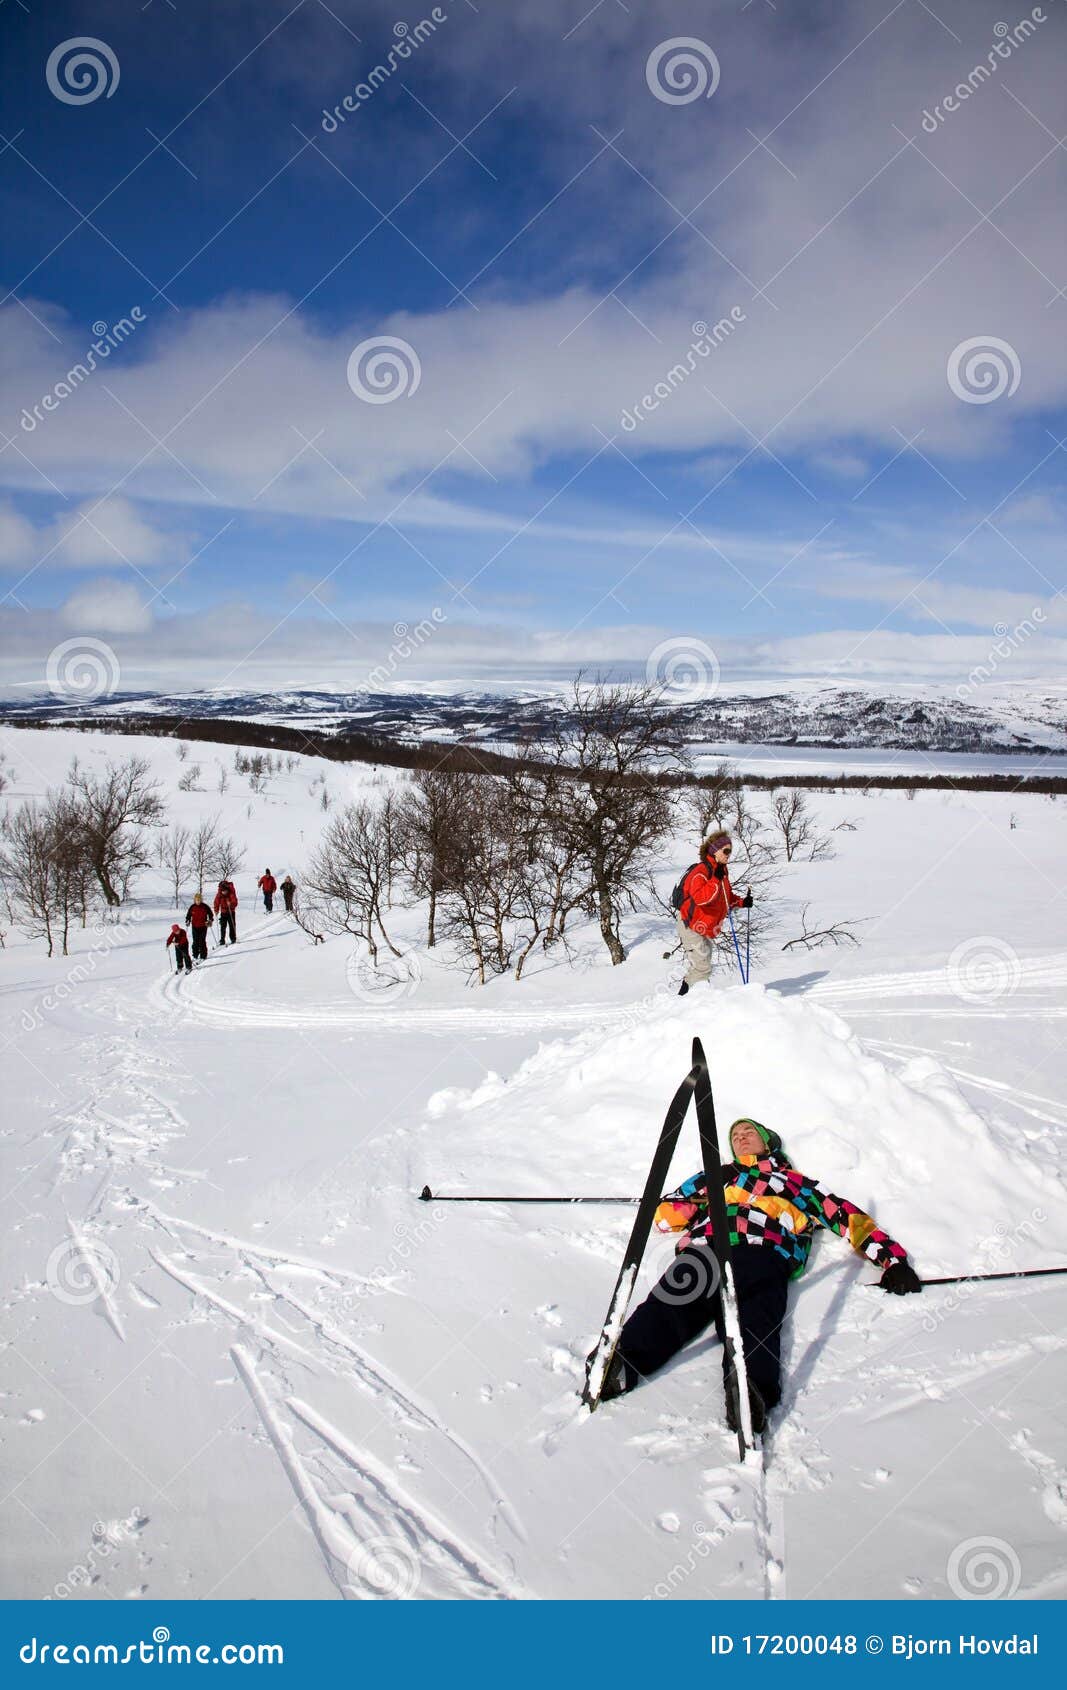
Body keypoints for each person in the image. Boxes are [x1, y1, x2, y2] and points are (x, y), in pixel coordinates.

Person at [597, 1116, 921, 1431]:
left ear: (767, 1141)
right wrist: (691, 1199)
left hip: (764, 1247)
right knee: (673, 1300)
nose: (740, 1137)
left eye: (748, 1132)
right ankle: (622, 1363)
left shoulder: (794, 1182)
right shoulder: (716, 1174)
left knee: (754, 1314)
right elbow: (666, 1218)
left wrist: (893, 1260)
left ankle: (752, 1393)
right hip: (708, 1244)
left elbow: (844, 1216)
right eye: (735, 1136)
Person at [675, 830, 752, 996]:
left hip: (704, 927)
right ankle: (686, 1002)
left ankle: (686, 999)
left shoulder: (721, 872)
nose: (728, 855)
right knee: (702, 967)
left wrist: (741, 902)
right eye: (726, 851)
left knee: (703, 966)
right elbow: (702, 899)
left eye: (730, 851)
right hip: (690, 924)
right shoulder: (701, 872)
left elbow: (725, 897)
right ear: (714, 851)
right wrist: (715, 880)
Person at [184, 892, 213, 962]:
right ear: (195, 900)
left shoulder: (205, 906)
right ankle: (195, 955)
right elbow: (188, 915)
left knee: (202, 941)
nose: (198, 901)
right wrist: (187, 920)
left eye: (199, 900)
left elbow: (210, 914)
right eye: (197, 900)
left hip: (203, 926)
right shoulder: (192, 907)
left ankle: (203, 955)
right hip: (195, 927)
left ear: (201, 900)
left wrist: (210, 920)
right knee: (195, 941)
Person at [214, 877, 239, 945]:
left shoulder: (231, 893)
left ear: (227, 890)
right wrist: (216, 910)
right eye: (223, 891)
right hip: (223, 912)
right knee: (223, 926)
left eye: (225, 891)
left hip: (231, 911)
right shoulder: (219, 894)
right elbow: (216, 902)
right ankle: (222, 939)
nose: (224, 892)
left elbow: (235, 902)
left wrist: (231, 904)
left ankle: (233, 938)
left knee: (232, 925)